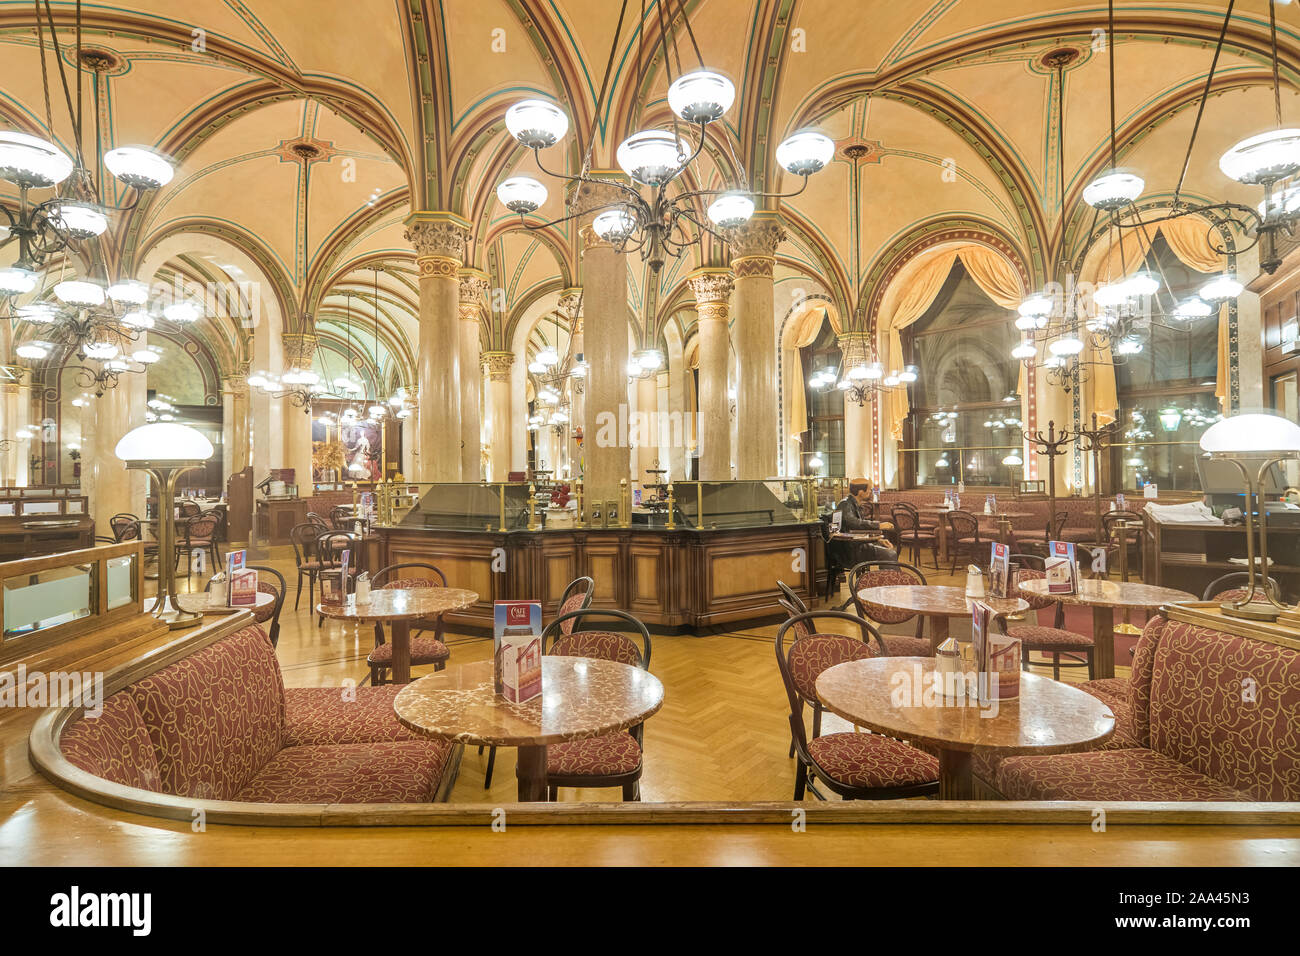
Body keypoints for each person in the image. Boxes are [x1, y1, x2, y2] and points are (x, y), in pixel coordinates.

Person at [831, 479, 897, 566]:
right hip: (849, 551)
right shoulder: (845, 504)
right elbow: (854, 523)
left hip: (857, 545)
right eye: (869, 489)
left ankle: (885, 578)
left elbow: (860, 529)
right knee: (890, 554)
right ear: (861, 492)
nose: (871, 492)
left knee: (889, 552)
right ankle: (889, 579)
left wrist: (879, 540)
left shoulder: (853, 503)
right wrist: (879, 525)